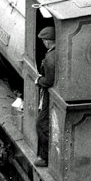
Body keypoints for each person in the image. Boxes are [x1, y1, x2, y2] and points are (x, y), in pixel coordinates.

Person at [34, 26, 56, 167]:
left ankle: (45, 157)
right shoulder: (57, 52)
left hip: (49, 94)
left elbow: (49, 81)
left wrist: (38, 80)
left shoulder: (50, 57)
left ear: (47, 42)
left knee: (41, 125)